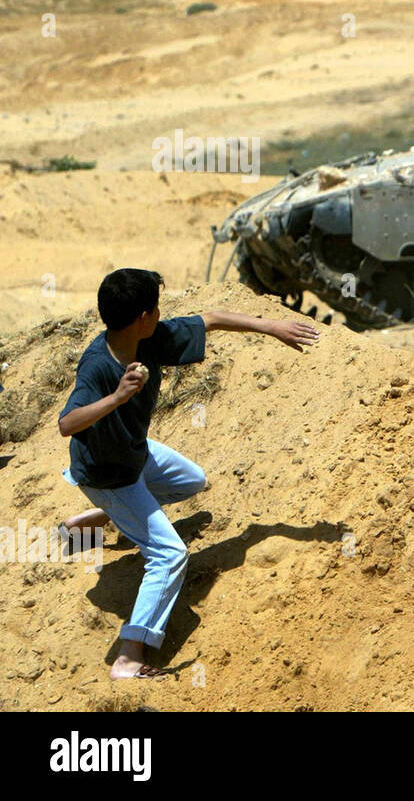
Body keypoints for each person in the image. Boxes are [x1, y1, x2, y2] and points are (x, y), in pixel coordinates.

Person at [57, 268, 319, 680]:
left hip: (134, 455)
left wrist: (272, 327)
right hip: (107, 474)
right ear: (143, 315)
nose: (162, 313)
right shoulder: (98, 364)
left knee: (191, 480)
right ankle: (128, 656)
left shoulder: (149, 338)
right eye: (156, 307)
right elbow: (68, 423)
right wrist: (118, 396)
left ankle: (90, 522)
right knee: (170, 554)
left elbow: (211, 318)